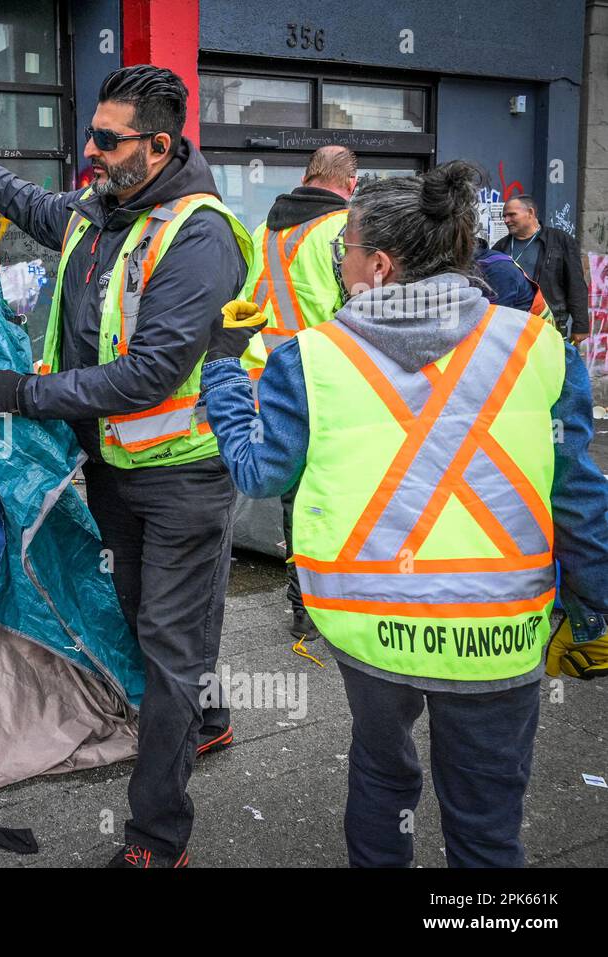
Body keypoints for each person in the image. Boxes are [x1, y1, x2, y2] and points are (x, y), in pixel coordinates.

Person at [200, 161, 608, 867]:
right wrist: (595, 612)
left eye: (343, 252)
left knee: (383, 778)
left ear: (379, 266)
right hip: (499, 633)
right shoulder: (537, 347)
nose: (340, 264)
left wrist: (223, 366)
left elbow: (258, 472)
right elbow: (579, 498)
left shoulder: (313, 358)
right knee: (485, 831)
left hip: (371, 628)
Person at [0, 64, 252, 868]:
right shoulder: (101, 210)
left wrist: (23, 393)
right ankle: (207, 722)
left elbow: (149, 371)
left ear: (160, 145)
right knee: (153, 625)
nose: (90, 151)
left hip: (183, 478)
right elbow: (39, 209)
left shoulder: (198, 236)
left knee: (170, 644)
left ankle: (156, 837)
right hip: (115, 467)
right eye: (91, 134)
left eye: (108, 140)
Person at [236, 145, 357, 650]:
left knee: (295, 498)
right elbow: (360, 311)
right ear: (350, 184)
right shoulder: (344, 230)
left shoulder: (265, 229)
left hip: (266, 377)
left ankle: (303, 607)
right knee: (338, 494)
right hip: (326, 379)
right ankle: (335, 601)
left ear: (308, 175)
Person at [493, 195, 590, 343]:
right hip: (511, 326)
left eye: (512, 215)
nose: (506, 220)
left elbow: (575, 284)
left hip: (550, 323)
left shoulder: (560, 241)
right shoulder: (500, 247)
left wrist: (581, 325)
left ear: (530, 213)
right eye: (504, 216)